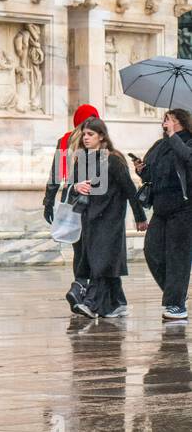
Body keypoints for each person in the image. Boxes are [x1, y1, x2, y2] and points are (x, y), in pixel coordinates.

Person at [70, 117, 147, 319]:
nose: (85, 138)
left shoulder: (113, 159)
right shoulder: (83, 159)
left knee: (100, 261)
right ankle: (117, 304)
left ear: (101, 136)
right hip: (89, 219)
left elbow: (130, 190)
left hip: (110, 220)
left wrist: (140, 217)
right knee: (101, 261)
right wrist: (76, 187)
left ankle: (91, 303)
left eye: (90, 134)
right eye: (84, 134)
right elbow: (72, 187)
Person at [135, 109, 192, 321]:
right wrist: (141, 169)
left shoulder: (187, 143)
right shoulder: (160, 146)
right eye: (164, 119)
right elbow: (152, 173)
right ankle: (176, 294)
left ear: (181, 122)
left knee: (178, 257)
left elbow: (188, 160)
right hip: (160, 207)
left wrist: (173, 138)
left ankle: (176, 304)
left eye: (169, 119)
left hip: (184, 208)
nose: (164, 123)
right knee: (152, 251)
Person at [43, 103, 99, 312]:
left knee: (79, 247)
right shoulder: (95, 140)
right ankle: (87, 292)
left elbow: (55, 175)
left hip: (72, 200)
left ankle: (79, 287)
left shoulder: (65, 140)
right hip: (94, 202)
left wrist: (48, 201)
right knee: (93, 249)